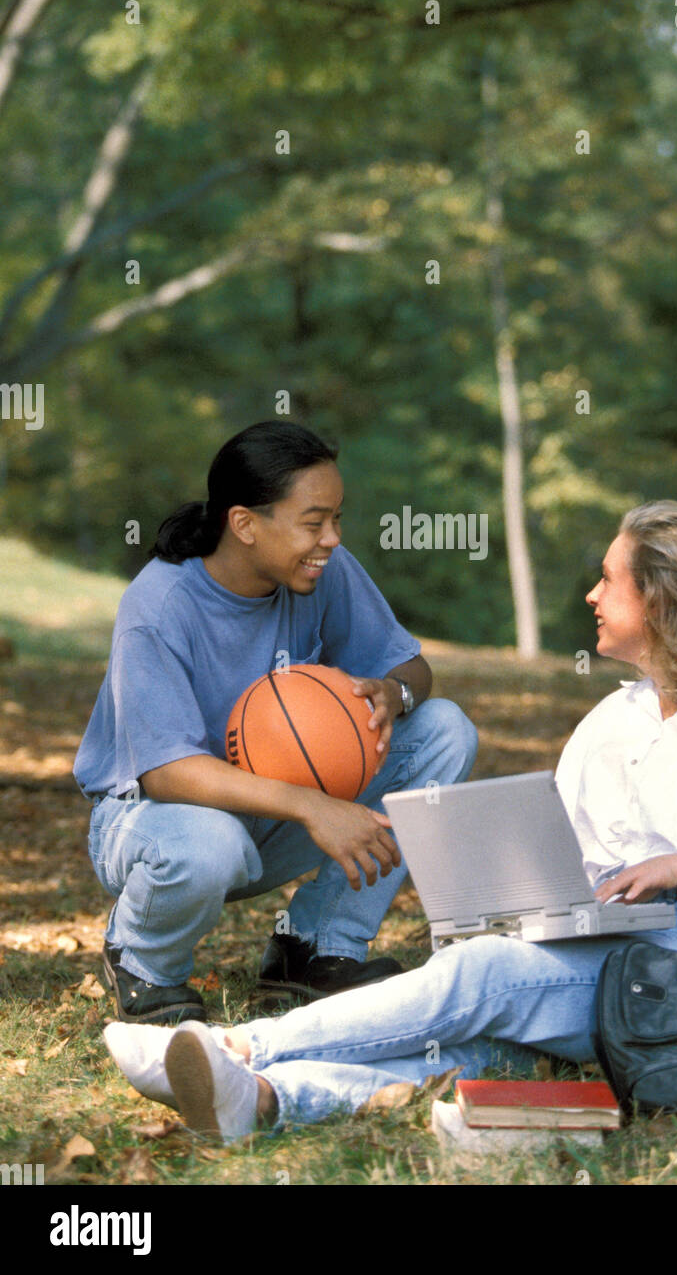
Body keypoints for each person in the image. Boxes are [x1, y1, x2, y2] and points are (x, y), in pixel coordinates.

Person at [103, 500, 677, 1138]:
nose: (591, 595)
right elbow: (573, 857)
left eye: (609, 580)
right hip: (610, 943)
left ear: (658, 601)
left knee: (480, 979)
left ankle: (239, 1048)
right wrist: (516, 895)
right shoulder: (609, 722)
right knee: (481, 1046)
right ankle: (265, 1102)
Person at [75, 420, 478, 1024]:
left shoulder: (320, 571)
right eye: (314, 522)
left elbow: (410, 667)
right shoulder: (157, 606)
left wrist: (395, 694)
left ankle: (314, 947)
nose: (333, 539)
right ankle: (143, 960)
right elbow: (165, 775)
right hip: (155, 823)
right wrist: (314, 806)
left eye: (337, 519)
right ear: (244, 524)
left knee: (444, 728)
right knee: (207, 840)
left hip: (268, 809)